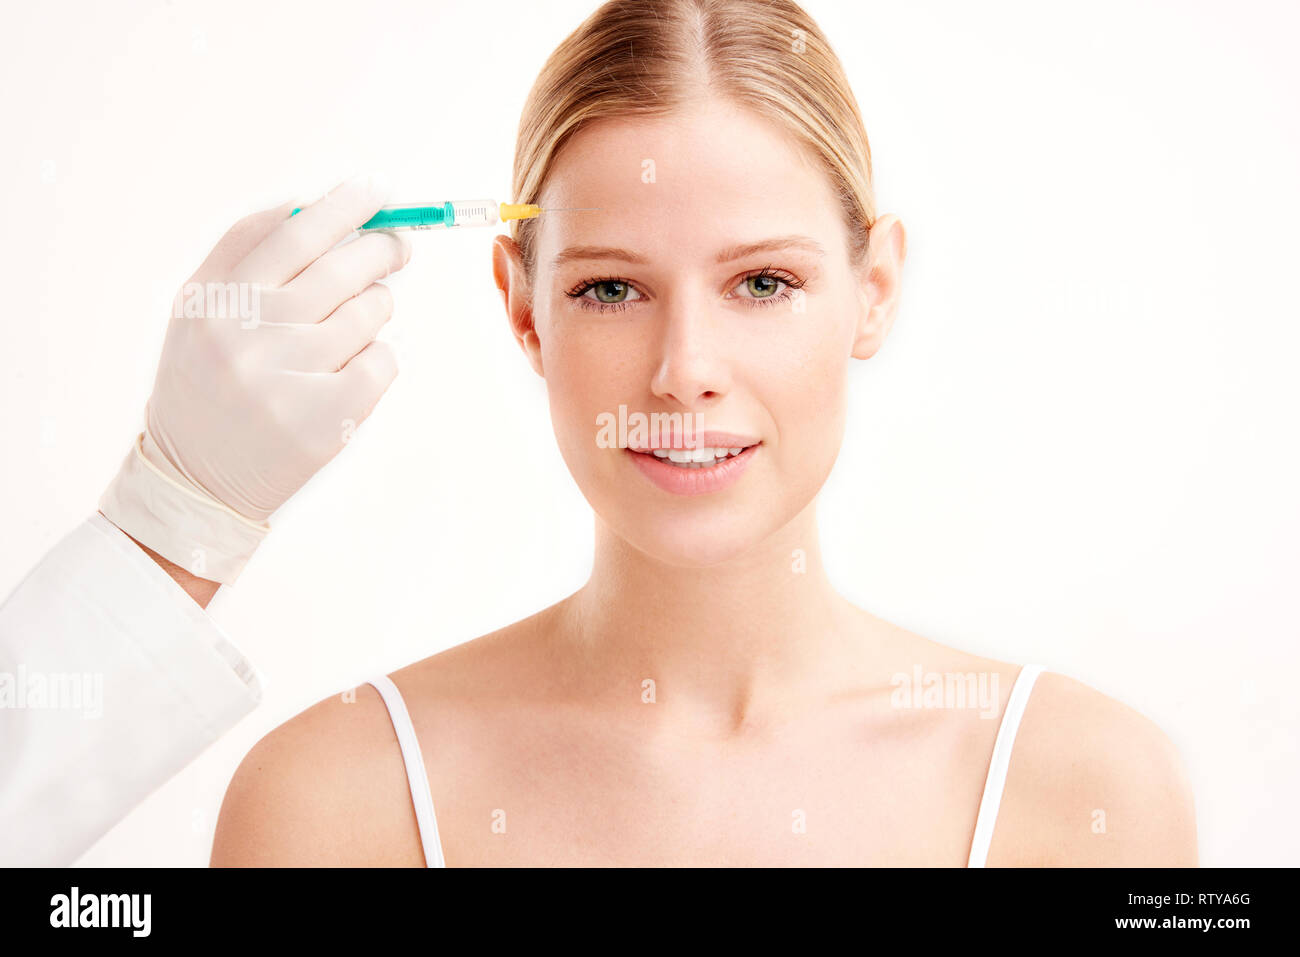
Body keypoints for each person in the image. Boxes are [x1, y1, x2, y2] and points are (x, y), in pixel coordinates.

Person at [209, 0, 1197, 867]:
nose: (684, 369)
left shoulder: (1086, 792)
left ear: (874, 291)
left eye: (763, 283)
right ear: (522, 310)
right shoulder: (331, 804)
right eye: (610, 288)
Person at [0, 176, 410, 866]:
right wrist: (178, 512)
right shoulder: (322, 793)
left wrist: (178, 512)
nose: (665, 374)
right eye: (609, 287)